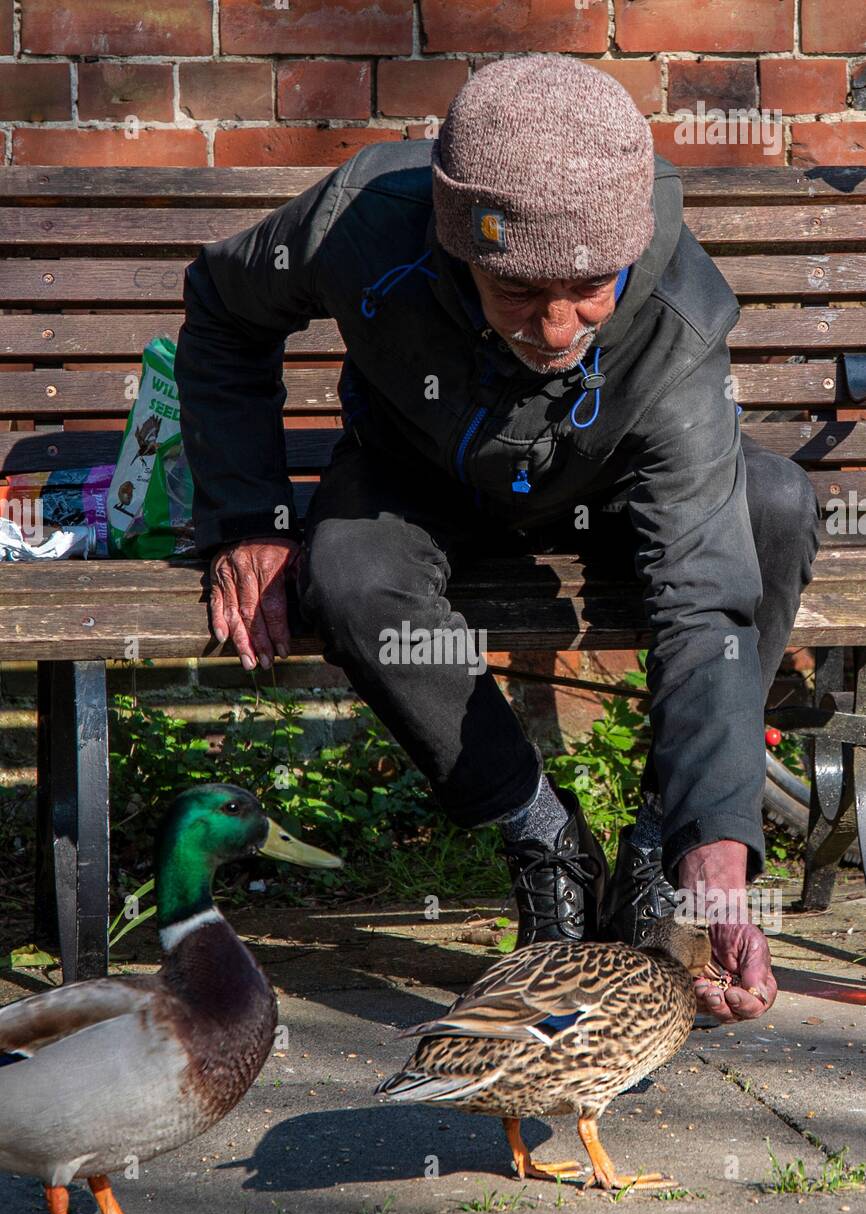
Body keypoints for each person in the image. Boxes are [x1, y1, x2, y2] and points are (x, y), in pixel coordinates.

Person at [175, 55, 819, 1027]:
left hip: (603, 495)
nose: (557, 326)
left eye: (585, 289)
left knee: (770, 504)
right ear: (454, 246)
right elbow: (223, 310)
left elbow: (704, 598)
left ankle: (658, 845)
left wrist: (715, 849)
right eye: (516, 290)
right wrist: (245, 517)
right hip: (416, 473)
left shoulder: (678, 321)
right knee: (345, 571)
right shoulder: (362, 223)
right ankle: (544, 837)